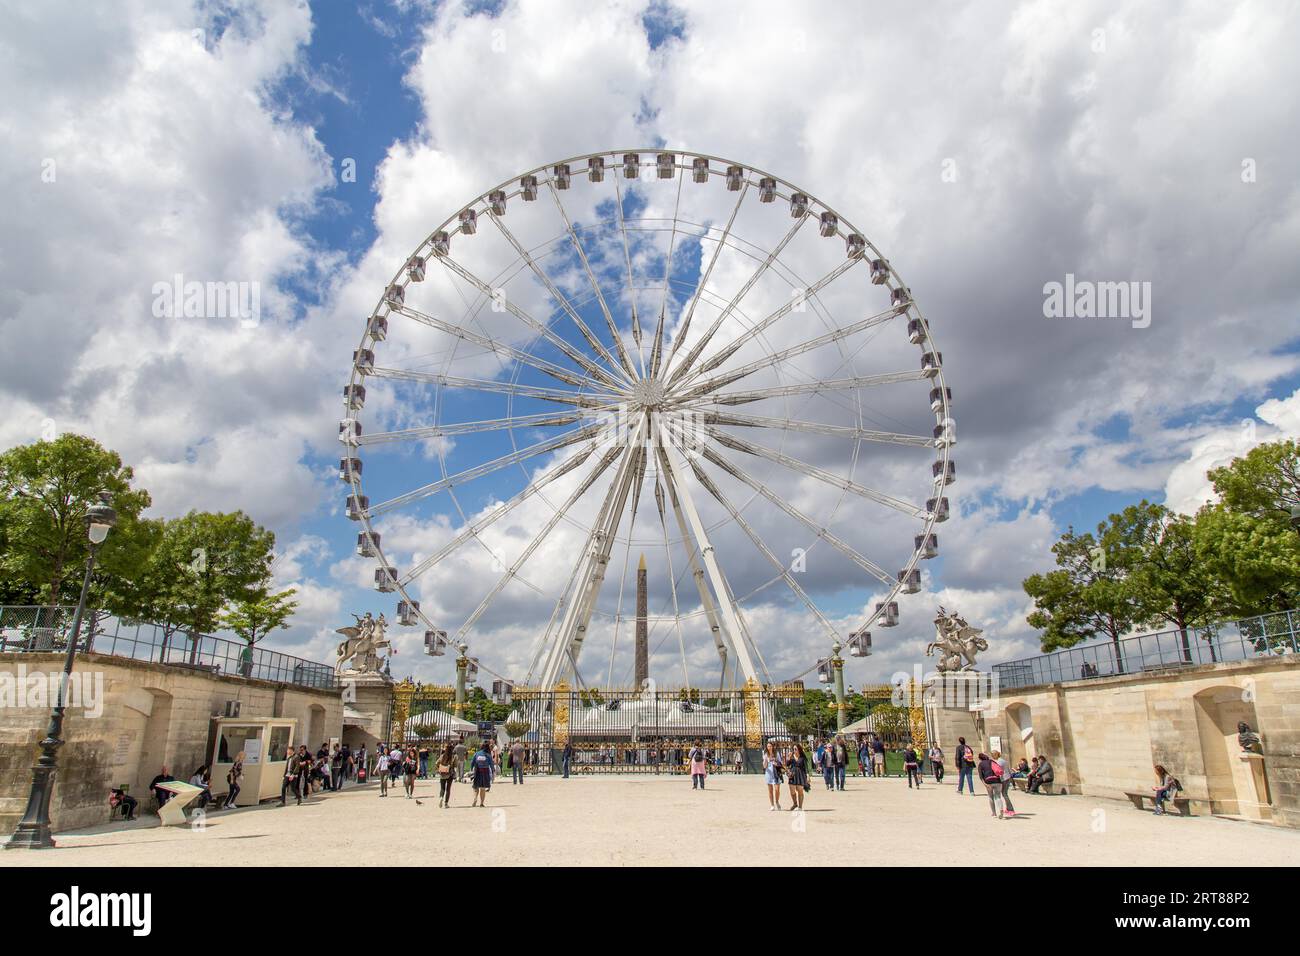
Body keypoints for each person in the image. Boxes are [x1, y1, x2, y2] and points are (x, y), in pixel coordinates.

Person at [976, 752, 1004, 818]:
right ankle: (1001, 809)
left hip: (988, 781)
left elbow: (981, 776)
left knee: (991, 797)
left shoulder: (981, 764)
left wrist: (985, 784)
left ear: (980, 758)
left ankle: (994, 813)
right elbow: (999, 770)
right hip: (997, 780)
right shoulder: (992, 761)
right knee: (998, 797)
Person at [992, 749, 1016, 817]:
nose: (992, 756)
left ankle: (1011, 809)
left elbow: (997, 772)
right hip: (1007, 778)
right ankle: (1008, 809)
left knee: (1004, 794)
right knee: (1004, 794)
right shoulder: (1004, 761)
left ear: (996, 754)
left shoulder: (998, 762)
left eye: (993, 754)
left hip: (1003, 779)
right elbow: (1009, 770)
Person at [786, 742, 809, 810]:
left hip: (800, 775)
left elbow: (806, 767)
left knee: (800, 791)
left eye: (795, 749)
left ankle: (800, 806)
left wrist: (807, 775)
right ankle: (795, 803)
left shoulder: (802, 757)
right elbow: (787, 765)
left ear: (799, 749)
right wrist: (789, 758)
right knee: (792, 791)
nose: (794, 750)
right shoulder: (791, 756)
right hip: (792, 775)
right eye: (793, 749)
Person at [762, 741, 785, 811]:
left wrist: (776, 764)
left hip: (776, 773)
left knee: (777, 789)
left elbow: (780, 763)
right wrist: (766, 761)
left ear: (772, 747)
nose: (769, 748)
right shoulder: (765, 754)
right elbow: (764, 766)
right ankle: (772, 805)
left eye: (770, 746)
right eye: (768, 746)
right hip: (769, 774)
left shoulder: (776, 753)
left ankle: (777, 802)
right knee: (770, 790)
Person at [470, 742, 493, 807]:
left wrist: (471, 769)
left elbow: (472, 762)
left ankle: (475, 798)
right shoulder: (488, 755)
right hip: (485, 772)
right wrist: (493, 772)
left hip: (477, 771)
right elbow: (491, 764)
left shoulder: (477, 753)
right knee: (483, 789)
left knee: (475, 787)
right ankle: (481, 803)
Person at [437, 742, 456, 808]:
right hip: (450, 773)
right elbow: (455, 765)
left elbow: (436, 763)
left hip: (442, 773)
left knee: (442, 788)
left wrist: (439, 768)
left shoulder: (442, 756)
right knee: (448, 789)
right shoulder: (453, 757)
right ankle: (446, 803)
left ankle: (441, 798)